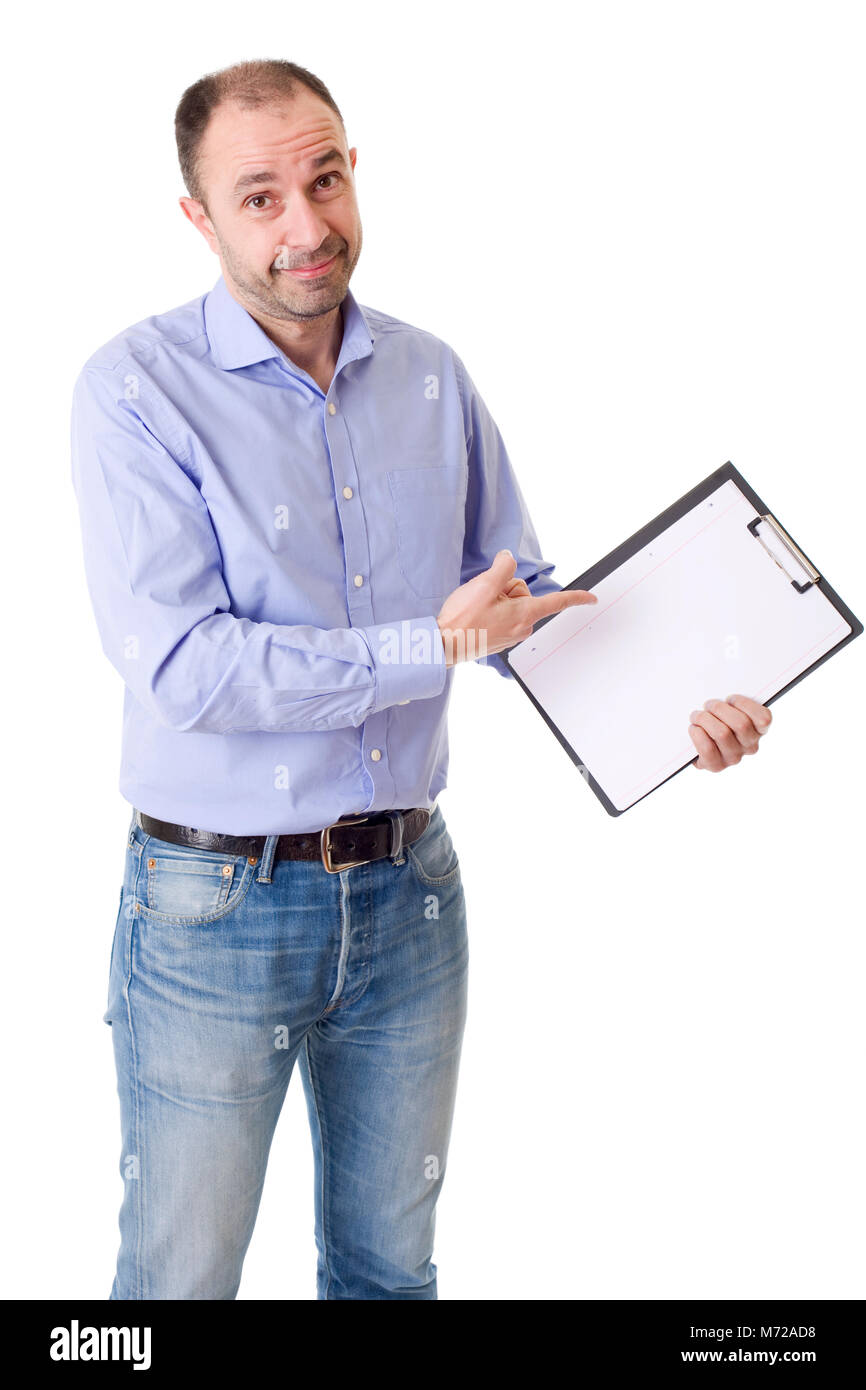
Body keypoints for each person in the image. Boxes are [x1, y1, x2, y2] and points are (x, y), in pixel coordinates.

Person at [70, 58, 773, 1302]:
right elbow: (184, 664)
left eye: (325, 177)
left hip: (410, 898)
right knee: (177, 1287)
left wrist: (682, 707)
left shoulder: (432, 374)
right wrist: (423, 646)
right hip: (212, 905)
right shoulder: (133, 392)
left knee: (392, 1275)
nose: (306, 225)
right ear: (199, 217)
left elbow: (521, 611)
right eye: (261, 196)